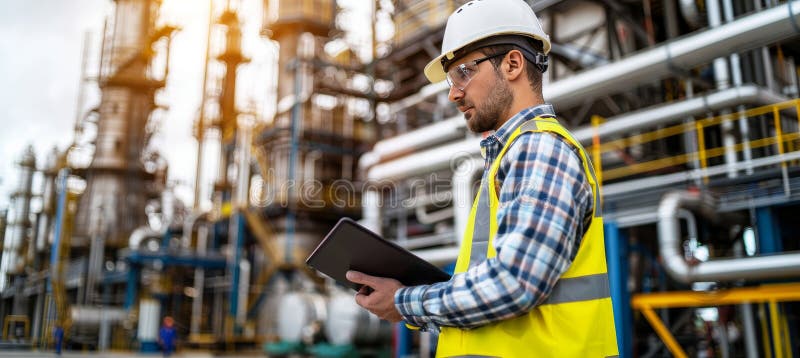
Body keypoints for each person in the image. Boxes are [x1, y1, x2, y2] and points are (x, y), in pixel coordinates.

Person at [346, 0, 619, 356]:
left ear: (513, 64)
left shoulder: (539, 149)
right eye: (451, 78)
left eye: (464, 72)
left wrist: (403, 301)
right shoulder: (512, 155)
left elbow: (514, 283)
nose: (453, 93)